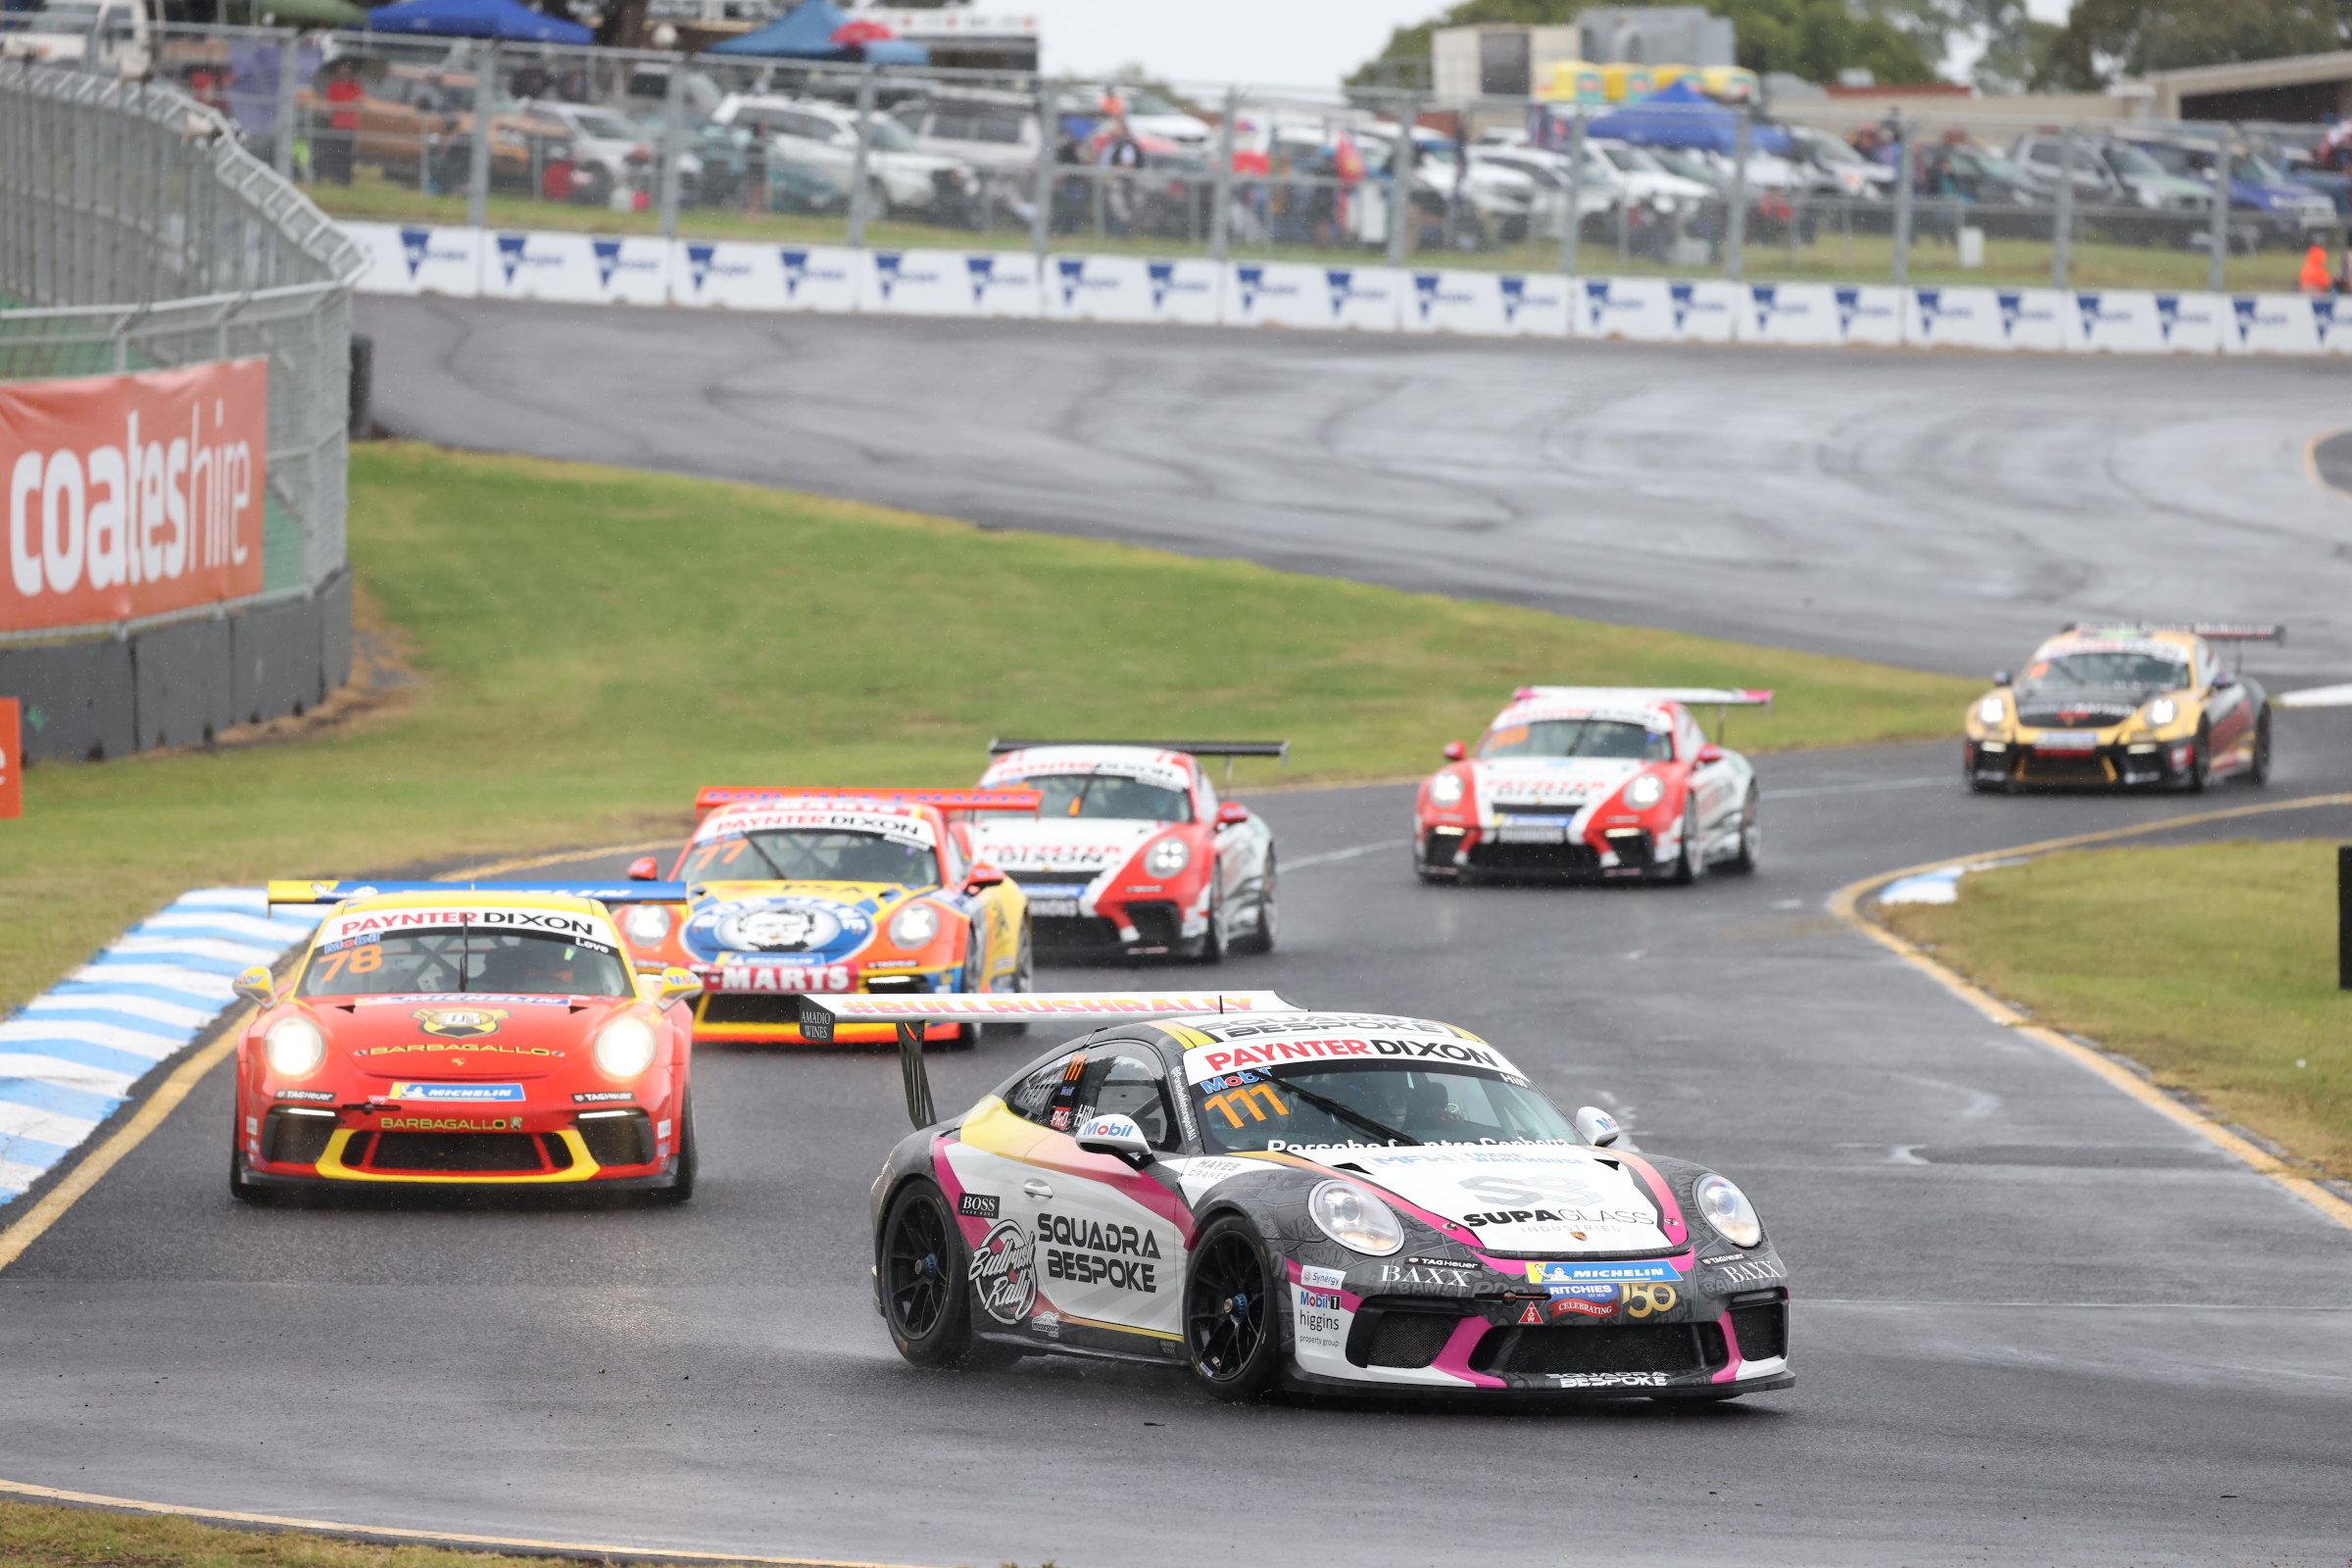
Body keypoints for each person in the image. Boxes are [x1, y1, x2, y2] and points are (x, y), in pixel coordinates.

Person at [318, 59, 362, 186]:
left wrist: (350, 105)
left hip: (350, 125)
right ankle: (335, 176)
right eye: (342, 68)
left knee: (347, 154)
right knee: (336, 152)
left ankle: (345, 178)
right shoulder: (334, 85)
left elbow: (359, 101)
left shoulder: (355, 86)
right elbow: (330, 102)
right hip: (337, 124)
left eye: (347, 69)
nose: (344, 71)